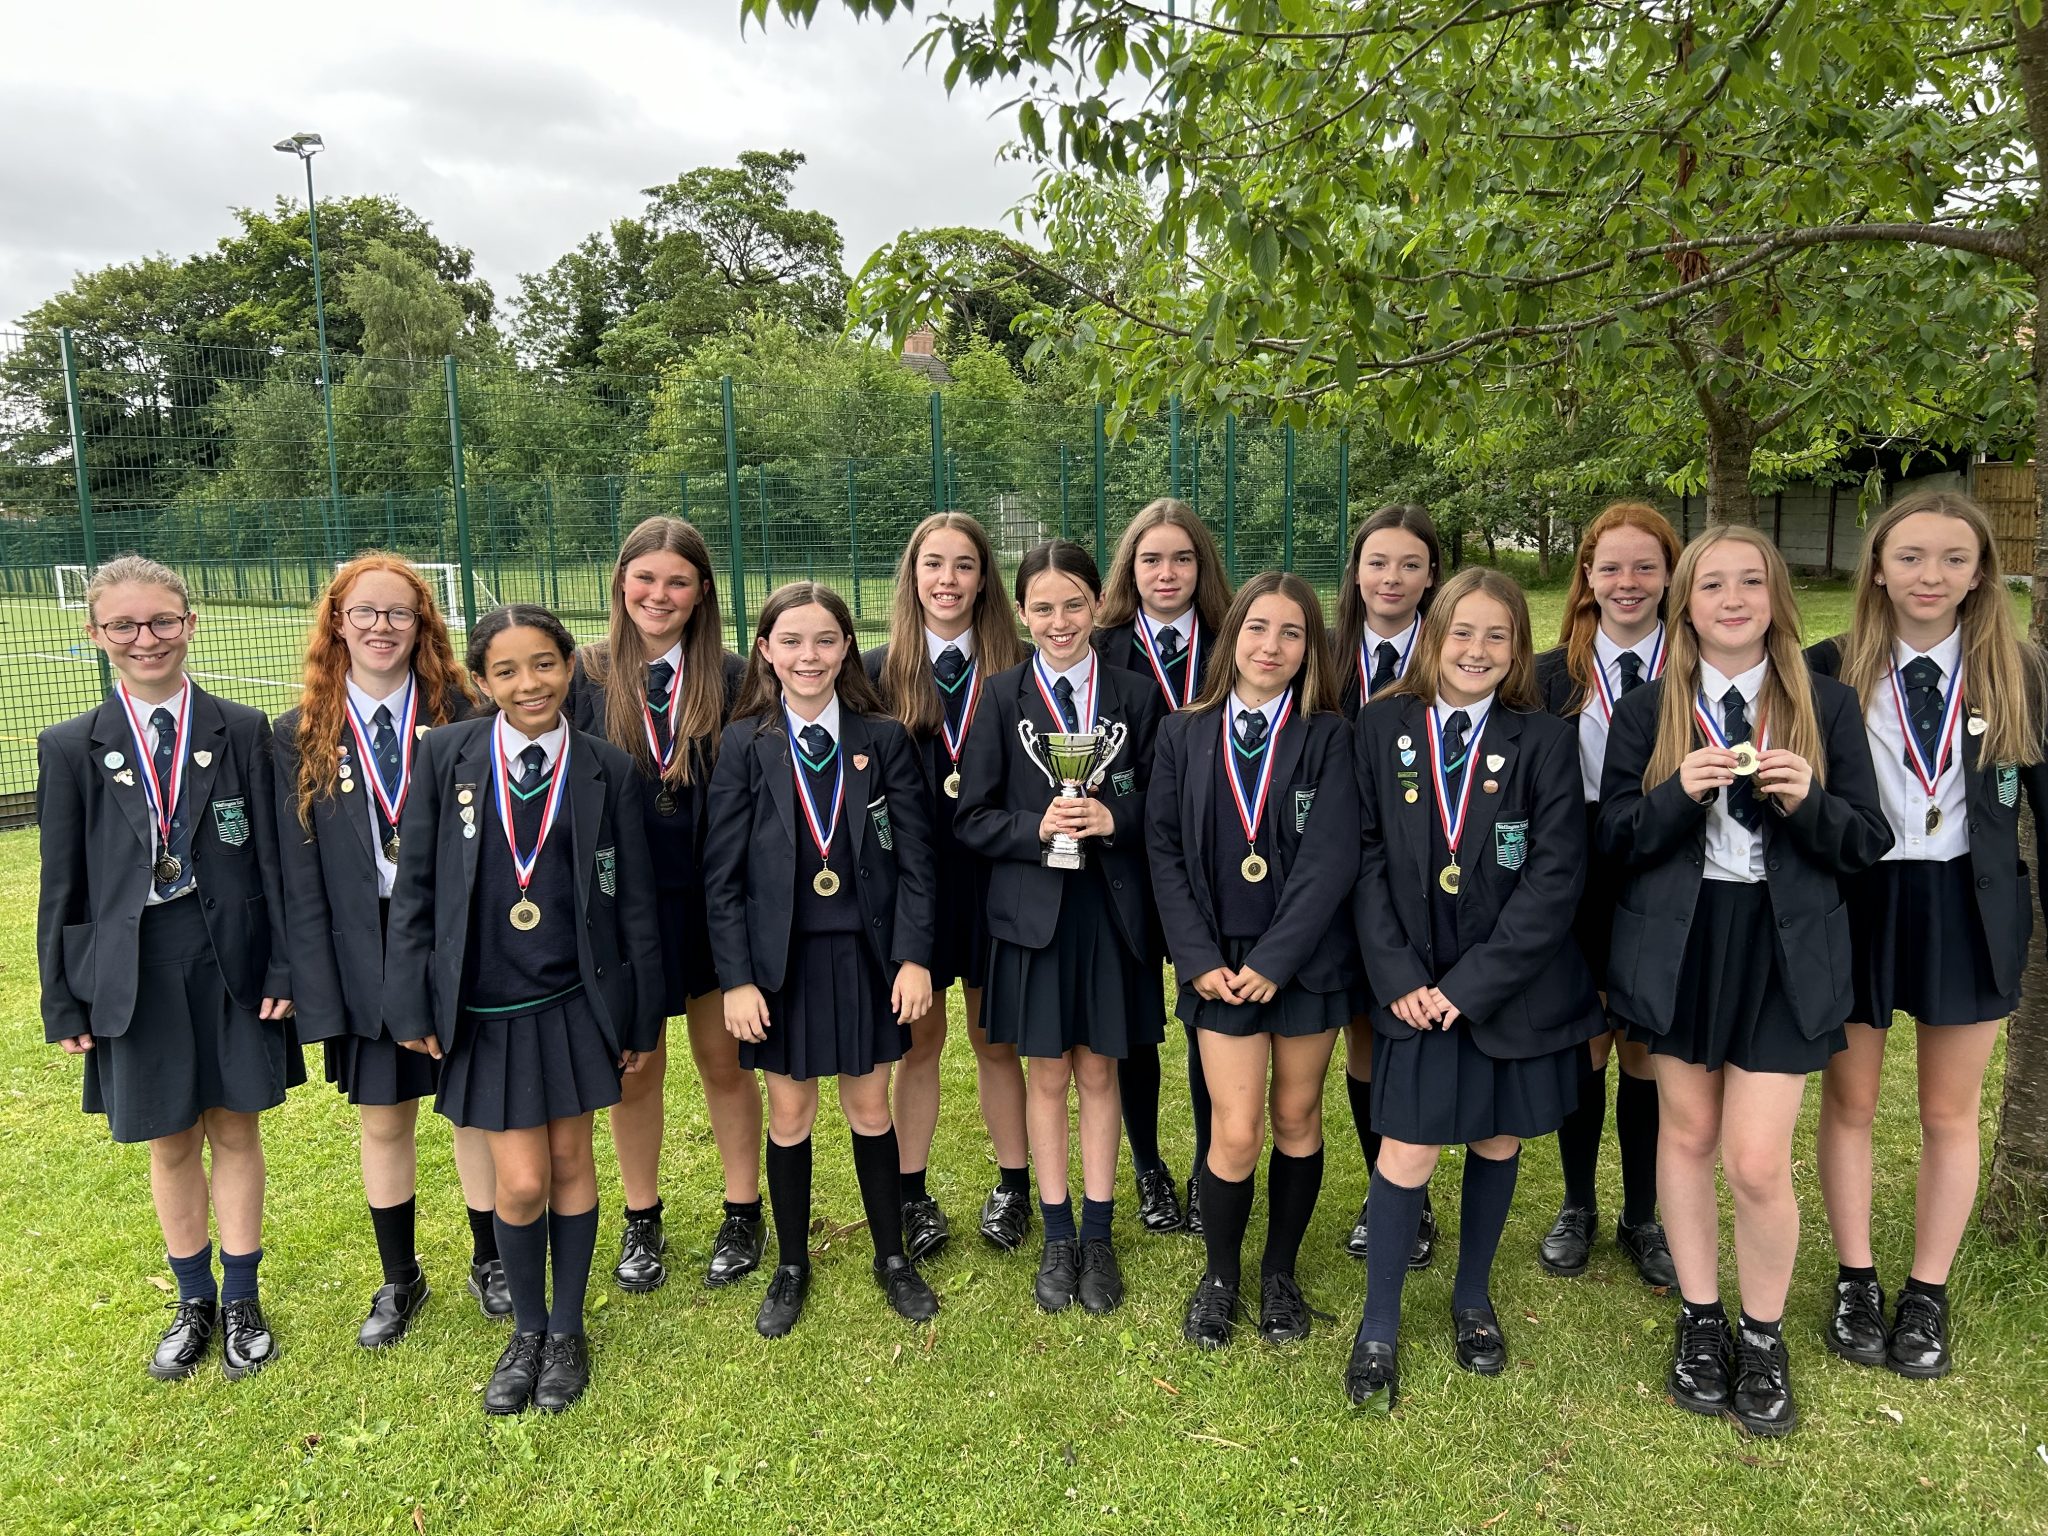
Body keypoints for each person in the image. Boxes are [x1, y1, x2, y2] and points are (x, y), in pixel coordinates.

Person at [1599, 526, 1891, 1437]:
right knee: (1685, 1133)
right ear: (1685, 602)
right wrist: (1675, 793)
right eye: (1713, 584)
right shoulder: (1651, 708)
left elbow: (1865, 842)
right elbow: (1613, 839)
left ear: (1777, 597)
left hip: (1781, 944)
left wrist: (1812, 804)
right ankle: (1699, 1317)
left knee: (1756, 1160)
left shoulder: (1827, 705)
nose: (1732, 599)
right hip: (1682, 942)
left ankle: (1761, 1336)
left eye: (1750, 582)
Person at [384, 604, 664, 1416]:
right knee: (519, 1182)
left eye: (543, 664)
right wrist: (410, 998)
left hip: (574, 1003)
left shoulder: (607, 766)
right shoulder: (446, 756)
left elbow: (635, 904)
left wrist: (639, 1018)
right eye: (505, 670)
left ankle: (566, 1331)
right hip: (487, 1007)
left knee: (573, 1164)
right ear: (481, 681)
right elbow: (419, 889)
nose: (527, 683)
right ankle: (527, 1330)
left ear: (570, 666)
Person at [1343, 567, 1604, 1411]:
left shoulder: (1544, 739)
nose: (1477, 650)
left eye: (1498, 636)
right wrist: (1401, 981)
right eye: (1462, 632)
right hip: (1414, 986)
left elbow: (1556, 881)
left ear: (1518, 648)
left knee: (1497, 1142)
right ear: (1433, 634)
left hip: (1505, 992)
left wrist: (1472, 986)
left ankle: (1471, 1298)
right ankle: (1378, 1323)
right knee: (1407, 1150)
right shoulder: (1382, 725)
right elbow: (1366, 859)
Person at [36, 554, 299, 1381]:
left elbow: (277, 865)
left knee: (235, 1125)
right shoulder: (71, 745)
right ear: (95, 635)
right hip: (134, 966)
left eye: (161, 621)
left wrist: (285, 965)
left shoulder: (242, 728)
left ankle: (244, 1294)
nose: (145, 638)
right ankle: (194, 1301)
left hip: (228, 957)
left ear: (190, 623)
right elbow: (62, 883)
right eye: (124, 625)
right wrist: (63, 1001)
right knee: (171, 1136)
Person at [1809, 490, 2047, 1380]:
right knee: (1852, 1104)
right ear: (1877, 567)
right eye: (1910, 557)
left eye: (1954, 558)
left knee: (1949, 1112)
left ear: (1983, 571)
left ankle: (1927, 1293)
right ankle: (1856, 1280)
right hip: (1860, 903)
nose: (1931, 576)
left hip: (1968, 909)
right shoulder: (1829, 667)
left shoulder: (2021, 673)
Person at [275, 554, 505, 1346]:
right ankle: (399, 1277)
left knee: (473, 1105)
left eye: (398, 614)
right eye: (365, 612)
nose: (380, 627)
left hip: (458, 934)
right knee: (384, 1118)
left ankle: (493, 1260)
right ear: (338, 621)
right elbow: (298, 876)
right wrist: (315, 978)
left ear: (422, 627)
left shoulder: (465, 714)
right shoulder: (300, 732)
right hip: (365, 943)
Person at [705, 582, 941, 1337]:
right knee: (792, 1112)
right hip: (782, 968)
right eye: (793, 642)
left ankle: (891, 1258)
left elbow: (917, 865)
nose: (810, 656)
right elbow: (724, 878)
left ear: (847, 648)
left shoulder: (884, 739)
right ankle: (791, 1266)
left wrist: (912, 959)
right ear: (767, 652)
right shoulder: (744, 744)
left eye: (826, 641)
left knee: (871, 1108)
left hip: (867, 959)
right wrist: (737, 980)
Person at [1146, 572, 1357, 1350]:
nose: (1273, 647)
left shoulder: (1331, 736)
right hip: (1217, 965)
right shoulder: (1181, 733)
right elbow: (1162, 852)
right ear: (1232, 635)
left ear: (1311, 649)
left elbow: (1330, 861)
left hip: (1301, 963)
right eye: (1260, 629)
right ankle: (1221, 1275)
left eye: (1293, 633)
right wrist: (1197, 957)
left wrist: (1276, 958)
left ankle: (1280, 1272)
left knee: (1296, 1116)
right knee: (1234, 1132)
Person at [957, 540, 1164, 1315]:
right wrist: (1032, 827)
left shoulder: (1136, 698)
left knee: (1101, 1070)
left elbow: (1165, 808)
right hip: (1035, 916)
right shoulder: (1001, 697)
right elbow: (970, 818)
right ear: (1020, 614)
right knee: (1046, 1073)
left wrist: (1114, 816)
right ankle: (1055, 1232)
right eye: (1042, 608)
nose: (1059, 621)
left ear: (1098, 607)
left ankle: (1101, 1235)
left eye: (1074, 604)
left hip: (1108, 913)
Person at [568, 516, 762, 1293]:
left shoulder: (735, 674)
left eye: (678, 581)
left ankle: (742, 1210)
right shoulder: (581, 675)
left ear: (702, 592)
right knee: (634, 1071)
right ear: (621, 584)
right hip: (619, 912)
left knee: (725, 1063)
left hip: (713, 907)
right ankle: (641, 1220)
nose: (660, 594)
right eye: (645, 578)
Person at [865, 513, 1030, 1256]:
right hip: (913, 890)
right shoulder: (874, 671)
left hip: (998, 883)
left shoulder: (1020, 667)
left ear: (984, 579)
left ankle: (1014, 1185)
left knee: (995, 1041)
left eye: (965, 565)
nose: (948, 581)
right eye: (934, 564)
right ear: (912, 576)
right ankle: (913, 1194)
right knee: (919, 1043)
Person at [1532, 503, 1684, 1287]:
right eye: (1611, 567)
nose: (1628, 583)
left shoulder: (1696, 664)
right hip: (1575, 872)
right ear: (1587, 576)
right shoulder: (1548, 673)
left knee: (1647, 1046)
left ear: (1669, 575)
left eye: (1645, 567)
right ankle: (1579, 1205)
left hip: (1664, 865)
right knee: (1585, 1041)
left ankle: (1643, 1214)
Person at [1096, 497, 1233, 1233]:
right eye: (1151, 558)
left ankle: (1212, 1164)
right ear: (1130, 568)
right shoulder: (1100, 646)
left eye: (1182, 557)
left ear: (1202, 565)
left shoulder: (1238, 640)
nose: (1167, 572)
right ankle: (1147, 1166)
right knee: (1135, 1020)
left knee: (1208, 1020)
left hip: (1214, 862)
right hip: (1121, 859)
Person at [1329, 503, 1444, 1266]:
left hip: (1417, 883)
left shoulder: (1452, 656)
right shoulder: (1323, 655)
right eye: (1378, 562)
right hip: (1331, 880)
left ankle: (1408, 1194)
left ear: (1432, 574)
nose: (1392, 579)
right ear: (1357, 571)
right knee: (1363, 1038)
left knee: (1407, 1030)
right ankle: (1383, 1182)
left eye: (1409, 564)